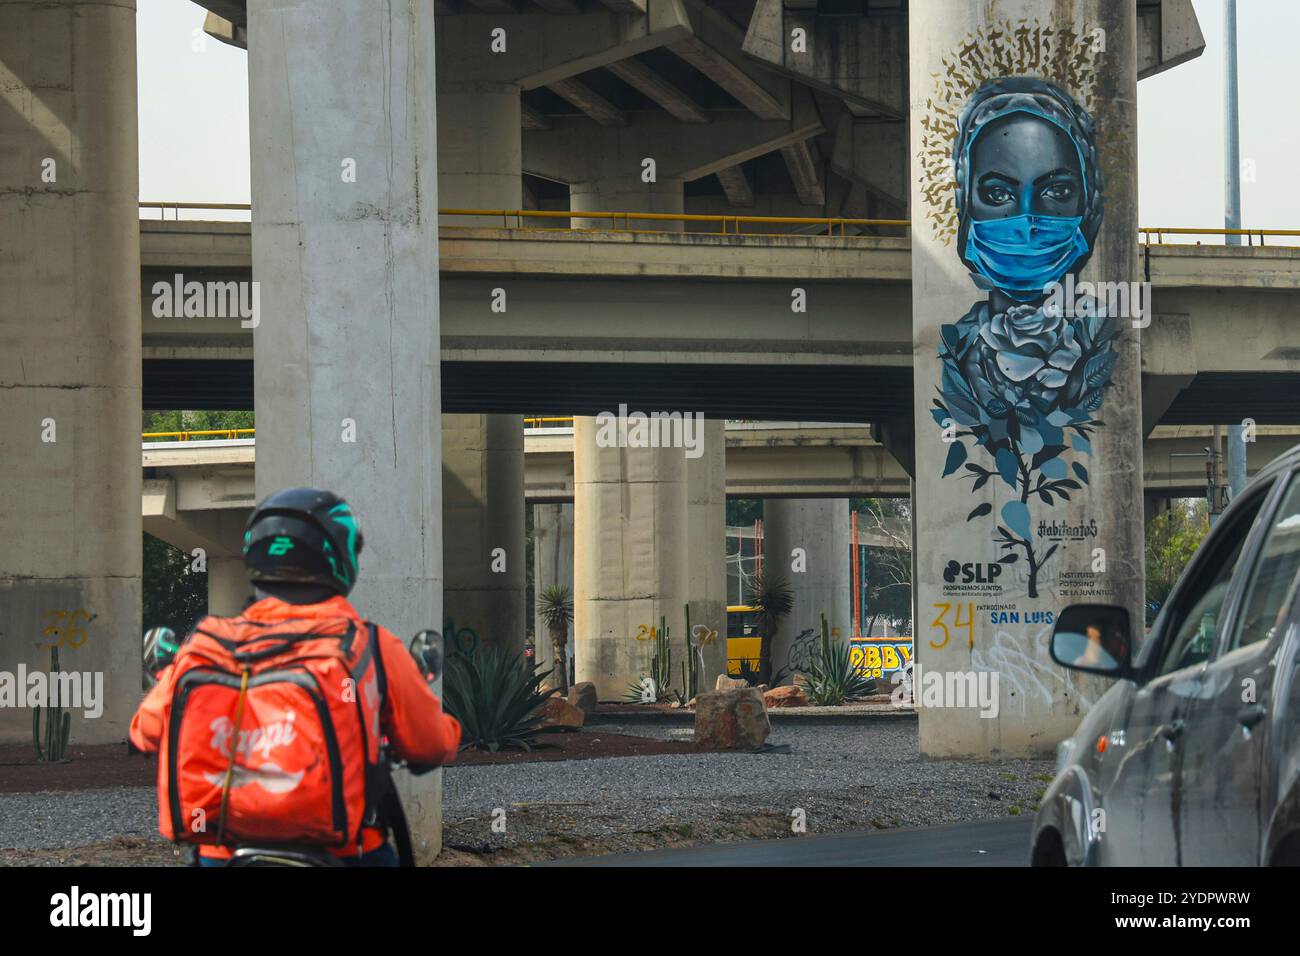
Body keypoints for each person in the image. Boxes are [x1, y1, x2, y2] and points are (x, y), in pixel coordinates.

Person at [131, 487, 460, 867]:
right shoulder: (369, 645)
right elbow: (430, 744)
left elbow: (145, 731)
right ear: (340, 556)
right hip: (344, 854)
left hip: (223, 854)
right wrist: (448, 731)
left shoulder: (205, 647)